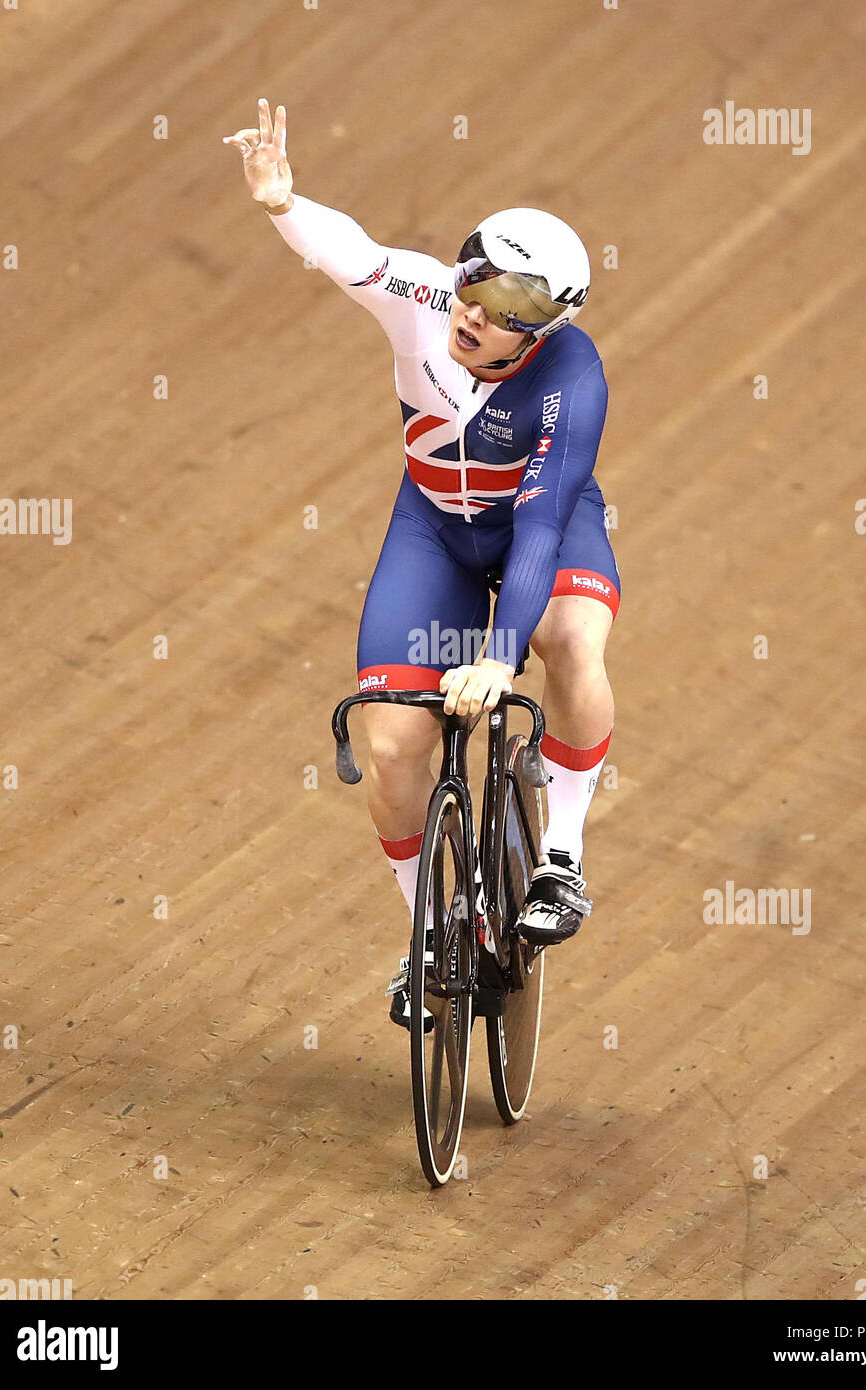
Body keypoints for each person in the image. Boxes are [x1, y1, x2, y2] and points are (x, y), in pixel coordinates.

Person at [224, 101, 619, 1027]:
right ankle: (431, 932)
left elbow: (536, 534)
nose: (474, 321)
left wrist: (494, 655)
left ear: (545, 330)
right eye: (473, 295)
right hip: (435, 531)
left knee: (565, 636)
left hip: (540, 533)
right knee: (394, 743)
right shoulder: (424, 295)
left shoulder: (573, 381)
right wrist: (283, 203)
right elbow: (348, 251)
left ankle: (560, 854)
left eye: (505, 316)